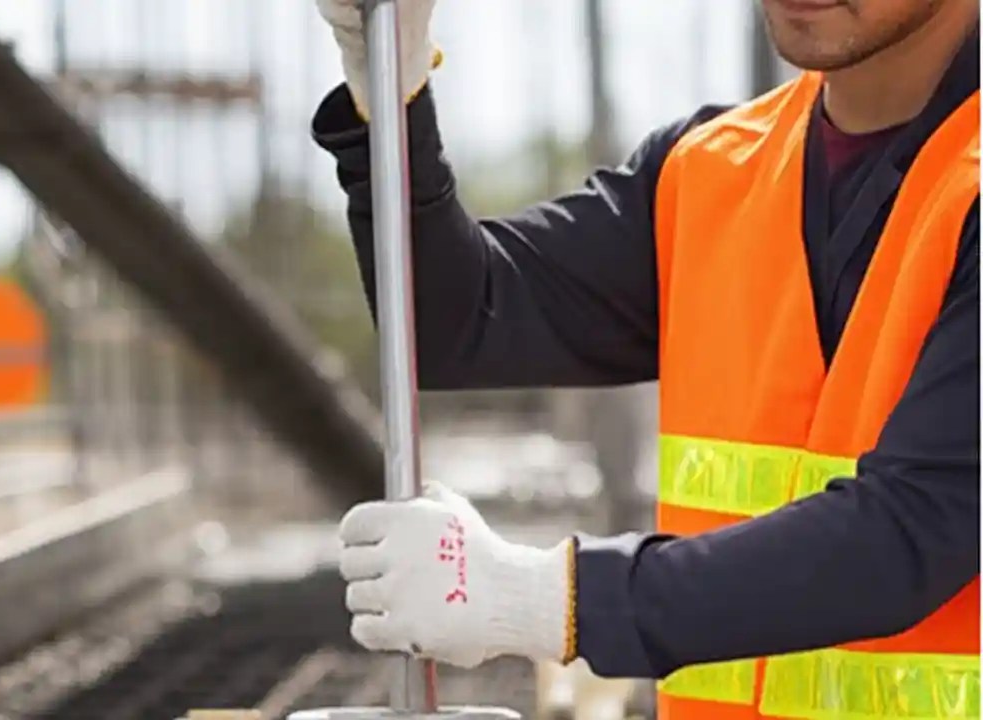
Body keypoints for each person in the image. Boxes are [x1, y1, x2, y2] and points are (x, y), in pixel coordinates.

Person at [312, 1, 980, 718]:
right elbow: (457, 320)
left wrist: (544, 599)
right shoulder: (709, 173)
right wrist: (391, 93)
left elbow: (911, 529)